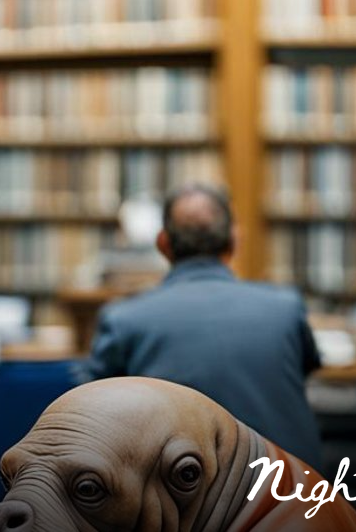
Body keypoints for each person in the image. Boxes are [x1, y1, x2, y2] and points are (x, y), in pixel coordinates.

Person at [84, 184, 324, 469]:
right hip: (294, 496)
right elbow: (308, 369)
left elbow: (90, 408)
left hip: (185, 502)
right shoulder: (285, 308)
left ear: (163, 244)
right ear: (235, 240)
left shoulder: (123, 320)